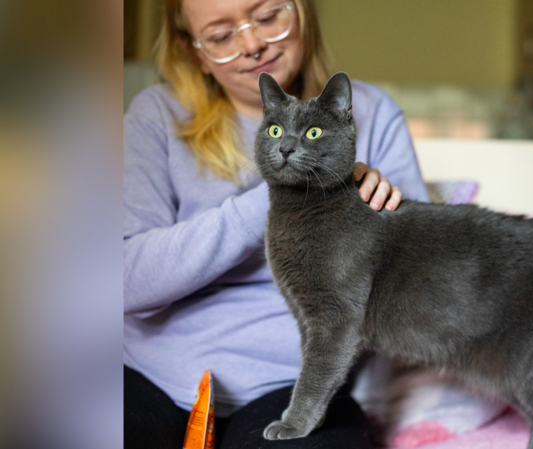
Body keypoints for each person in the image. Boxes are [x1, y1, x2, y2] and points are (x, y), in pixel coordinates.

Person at [123, 0, 429, 447]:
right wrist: (279, 197)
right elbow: (122, 280)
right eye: (222, 36)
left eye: (267, 16)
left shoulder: (373, 113)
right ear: (195, 53)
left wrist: (383, 220)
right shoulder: (157, 115)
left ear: (302, 12)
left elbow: (417, 293)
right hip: (150, 374)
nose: (252, 44)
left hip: (296, 380)